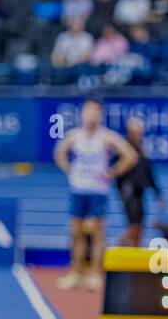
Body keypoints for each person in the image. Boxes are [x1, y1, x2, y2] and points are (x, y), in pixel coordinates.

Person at [53, 100, 137, 290]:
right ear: (82, 114)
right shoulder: (75, 136)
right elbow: (59, 153)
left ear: (100, 116)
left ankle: (95, 274)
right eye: (88, 112)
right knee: (76, 232)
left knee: (97, 232)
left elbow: (130, 155)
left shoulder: (106, 137)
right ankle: (75, 272)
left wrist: (112, 171)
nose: (91, 116)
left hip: (97, 190)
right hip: (78, 189)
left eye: (95, 113)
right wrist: (69, 169)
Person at [114, 117, 156, 247]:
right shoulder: (123, 149)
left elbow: (148, 171)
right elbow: (116, 171)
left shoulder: (143, 149)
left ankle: (136, 248)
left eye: (140, 132)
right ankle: (119, 247)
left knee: (139, 223)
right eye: (136, 132)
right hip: (129, 192)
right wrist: (122, 188)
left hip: (140, 191)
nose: (139, 135)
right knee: (134, 224)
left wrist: (156, 191)